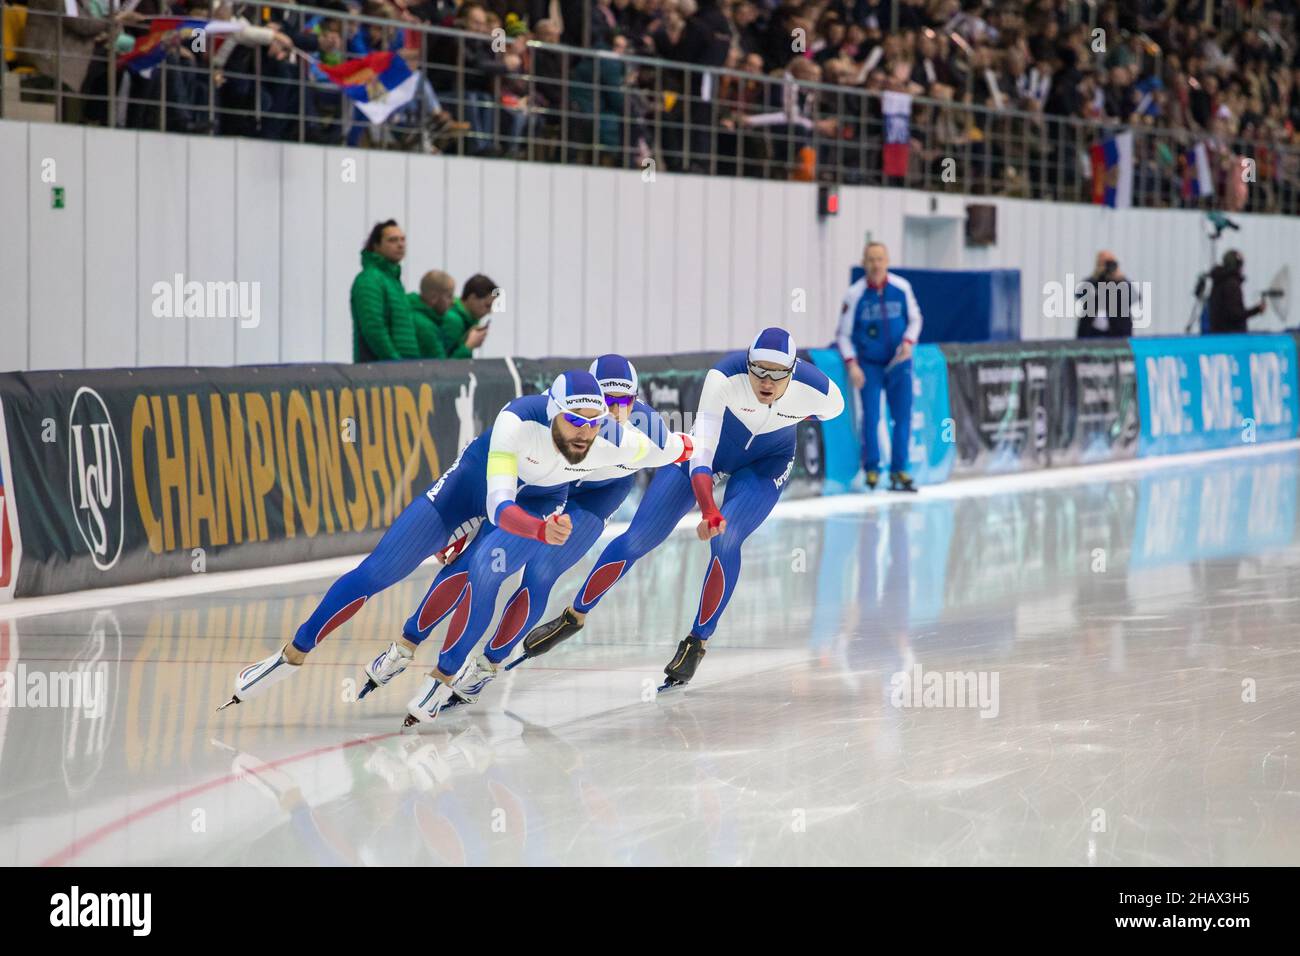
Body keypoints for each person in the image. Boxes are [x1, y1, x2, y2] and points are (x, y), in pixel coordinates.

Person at [218, 370, 691, 712]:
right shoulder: (517, 421)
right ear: (554, 410)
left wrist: (707, 478)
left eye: (601, 419)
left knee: (485, 571)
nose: (590, 428)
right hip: (479, 487)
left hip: (553, 500)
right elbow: (498, 507)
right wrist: (528, 529)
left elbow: (685, 448)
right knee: (381, 569)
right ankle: (293, 654)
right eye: (578, 419)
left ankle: (453, 671)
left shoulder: (628, 439)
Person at [519, 328, 844, 692]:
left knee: (727, 539)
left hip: (768, 462)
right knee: (638, 538)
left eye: (776, 374)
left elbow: (836, 409)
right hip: (714, 450)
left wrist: (796, 417)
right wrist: (708, 509)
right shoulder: (724, 376)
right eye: (758, 371)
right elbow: (702, 454)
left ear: (793, 371)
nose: (766, 381)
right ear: (748, 364)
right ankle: (574, 616)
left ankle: (697, 641)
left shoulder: (817, 390)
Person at [357, 355, 682, 720]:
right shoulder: (564, 417)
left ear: (636, 400)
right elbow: (495, 466)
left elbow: (689, 449)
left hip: (592, 501)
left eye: (623, 403)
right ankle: (406, 645)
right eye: (604, 402)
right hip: (545, 489)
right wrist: (465, 524)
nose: (609, 413)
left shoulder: (648, 430)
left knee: (541, 573)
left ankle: (486, 665)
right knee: (476, 562)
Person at [836, 241, 922, 492]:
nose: (876, 264)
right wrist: (852, 365)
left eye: (880, 259)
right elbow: (843, 334)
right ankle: (872, 469)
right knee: (871, 416)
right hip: (870, 365)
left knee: (902, 417)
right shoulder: (854, 295)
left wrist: (908, 342)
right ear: (864, 263)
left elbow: (916, 319)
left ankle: (899, 470)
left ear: (887, 261)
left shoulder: (901, 288)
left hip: (899, 362)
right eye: (871, 259)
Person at [351, 220, 421, 362]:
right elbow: (373, 328)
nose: (400, 245)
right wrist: (394, 363)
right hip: (380, 373)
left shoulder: (392, 281)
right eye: (392, 240)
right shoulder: (369, 280)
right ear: (376, 246)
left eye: (402, 239)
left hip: (402, 370)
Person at [1075, 250, 1138, 338]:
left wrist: (1121, 279)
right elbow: (1079, 294)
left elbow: (1135, 298)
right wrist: (1097, 276)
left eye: (1110, 263)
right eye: (1104, 263)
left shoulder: (1121, 283)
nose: (1107, 267)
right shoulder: (1092, 282)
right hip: (1091, 333)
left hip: (1118, 333)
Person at [1206, 250, 1267, 334]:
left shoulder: (1218, 282)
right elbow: (1235, 314)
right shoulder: (1231, 284)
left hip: (1218, 335)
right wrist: (1257, 310)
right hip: (1231, 337)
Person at [439, 274, 496, 358]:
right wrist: (469, 346)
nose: (489, 312)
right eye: (487, 305)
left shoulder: (467, 320)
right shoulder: (453, 321)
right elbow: (442, 364)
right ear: (472, 298)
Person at [407, 270, 455, 359]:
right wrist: (467, 347)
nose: (453, 302)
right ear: (433, 297)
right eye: (449, 296)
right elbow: (441, 366)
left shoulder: (413, 314)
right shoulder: (425, 327)